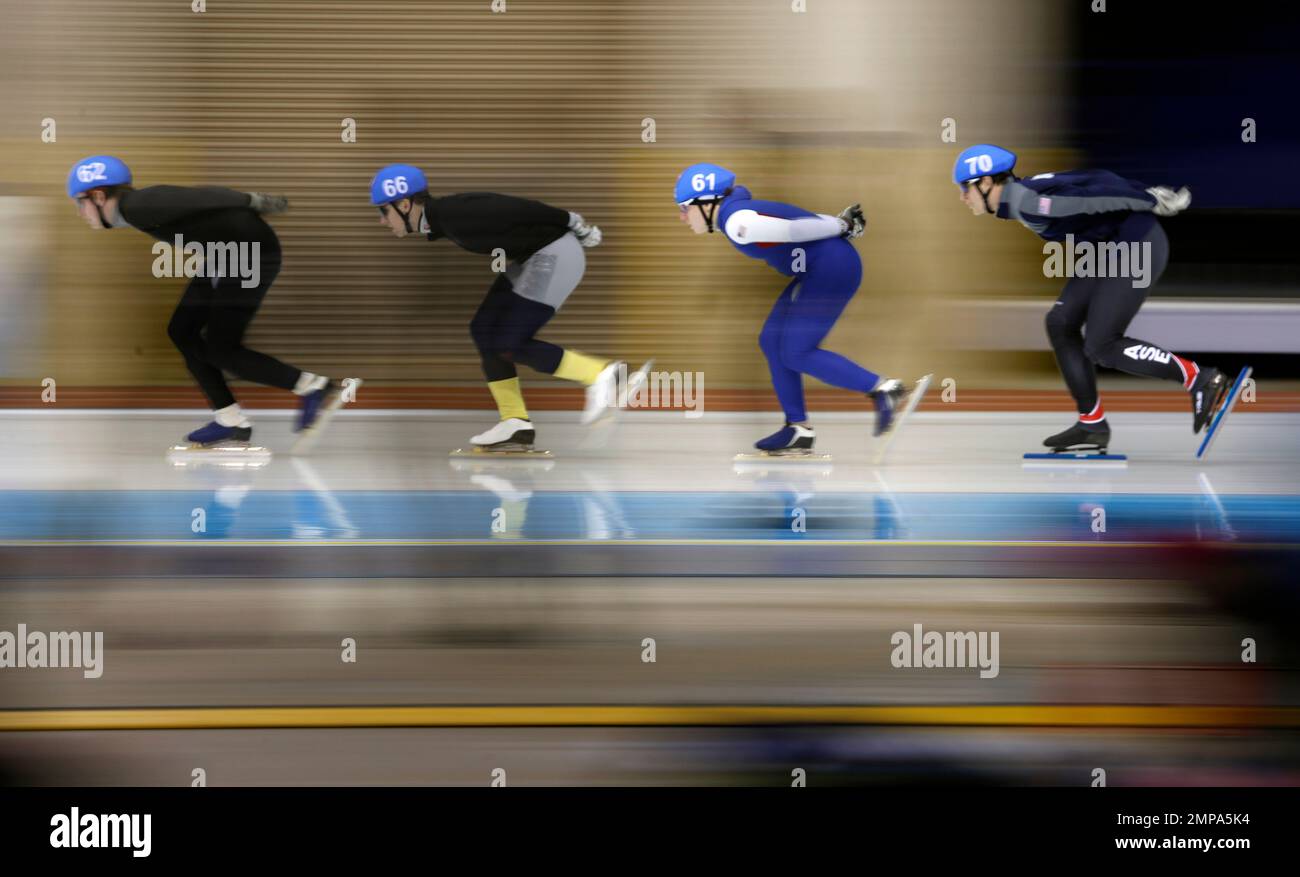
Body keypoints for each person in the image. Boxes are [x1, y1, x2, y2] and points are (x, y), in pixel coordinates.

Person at [954, 143, 1226, 452]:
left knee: (1102, 345)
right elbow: (1094, 177)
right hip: (1109, 249)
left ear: (987, 182)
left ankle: (1200, 378)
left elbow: (1091, 199)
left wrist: (1147, 199)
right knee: (1060, 322)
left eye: (965, 188)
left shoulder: (1029, 201)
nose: (963, 197)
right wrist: (1142, 190)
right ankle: (1091, 423)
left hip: (1138, 243)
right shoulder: (1026, 192)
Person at [67, 155, 341, 448]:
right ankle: (229, 419)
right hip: (228, 254)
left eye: (79, 202)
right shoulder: (136, 208)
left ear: (98, 195)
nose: (81, 212)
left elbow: (199, 196)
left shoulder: (137, 205)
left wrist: (252, 201)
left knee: (222, 349)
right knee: (182, 330)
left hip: (251, 254)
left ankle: (314, 387)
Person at [370, 163, 649, 451]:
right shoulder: (444, 219)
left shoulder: (454, 215)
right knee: (484, 328)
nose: (382, 220)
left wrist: (571, 221)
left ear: (403, 204)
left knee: (508, 342)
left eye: (383, 211)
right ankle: (515, 422)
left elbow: (516, 208)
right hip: (535, 256)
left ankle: (604, 375)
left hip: (554, 254)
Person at [674, 162, 909, 455]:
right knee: (772, 340)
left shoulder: (735, 221)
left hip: (830, 268)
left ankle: (883, 389)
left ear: (706, 203)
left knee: (797, 351)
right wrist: (840, 224)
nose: (682, 217)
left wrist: (841, 226)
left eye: (684, 208)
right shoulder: (737, 214)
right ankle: (797, 429)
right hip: (819, 268)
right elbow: (803, 220)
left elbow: (794, 229)